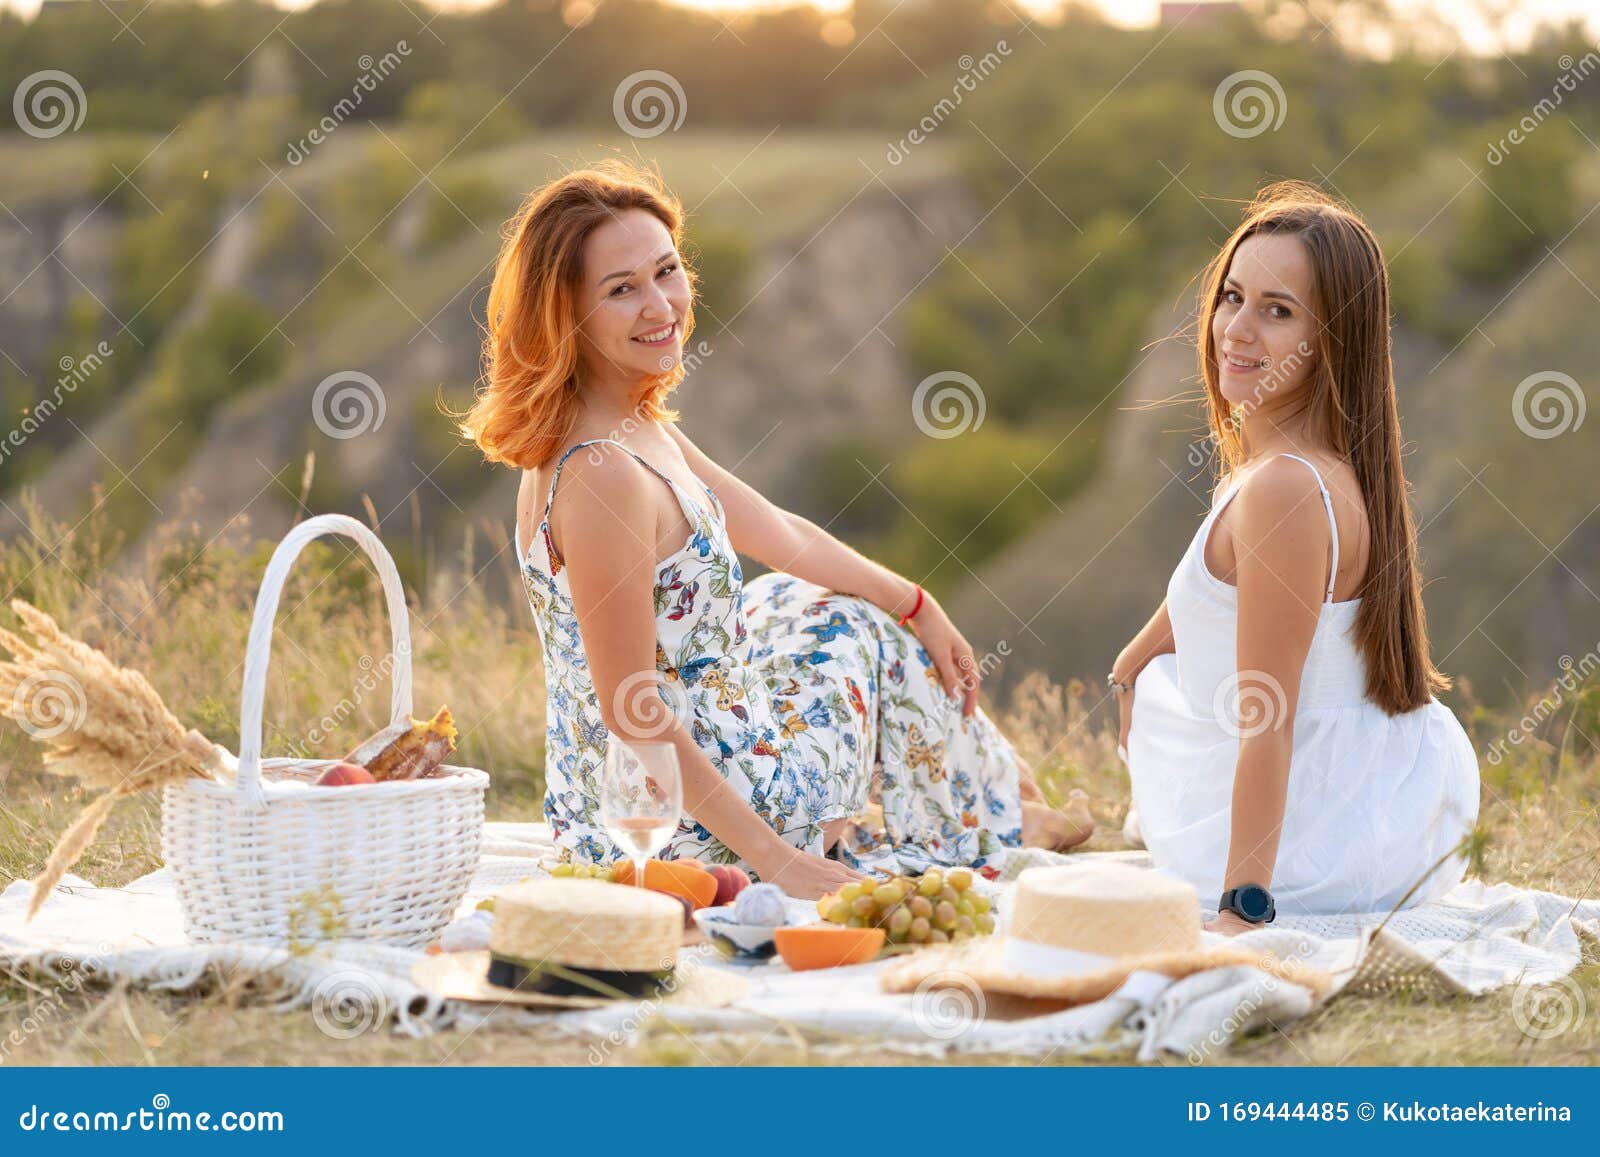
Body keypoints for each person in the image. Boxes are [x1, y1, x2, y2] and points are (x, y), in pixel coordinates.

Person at [460, 161, 1092, 900]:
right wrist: (777, 861)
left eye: (667, 271)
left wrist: (918, 601)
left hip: (673, 769)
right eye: (621, 288)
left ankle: (995, 806)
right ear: (566, 315)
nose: (660, 303)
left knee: (798, 596)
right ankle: (997, 819)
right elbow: (632, 712)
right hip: (673, 820)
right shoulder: (603, 474)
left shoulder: (628, 425)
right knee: (858, 629)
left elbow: (780, 532)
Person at [1114, 181, 1479, 930]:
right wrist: (1139, 654)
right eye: (1232, 297)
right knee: (1159, 678)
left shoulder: (1285, 490)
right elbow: (1220, 592)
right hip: (1376, 803)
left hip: (1320, 837)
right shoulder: (1303, 463)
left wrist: (1241, 907)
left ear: (1331, 340)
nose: (1236, 330)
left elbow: (1268, 716)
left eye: (1277, 312)